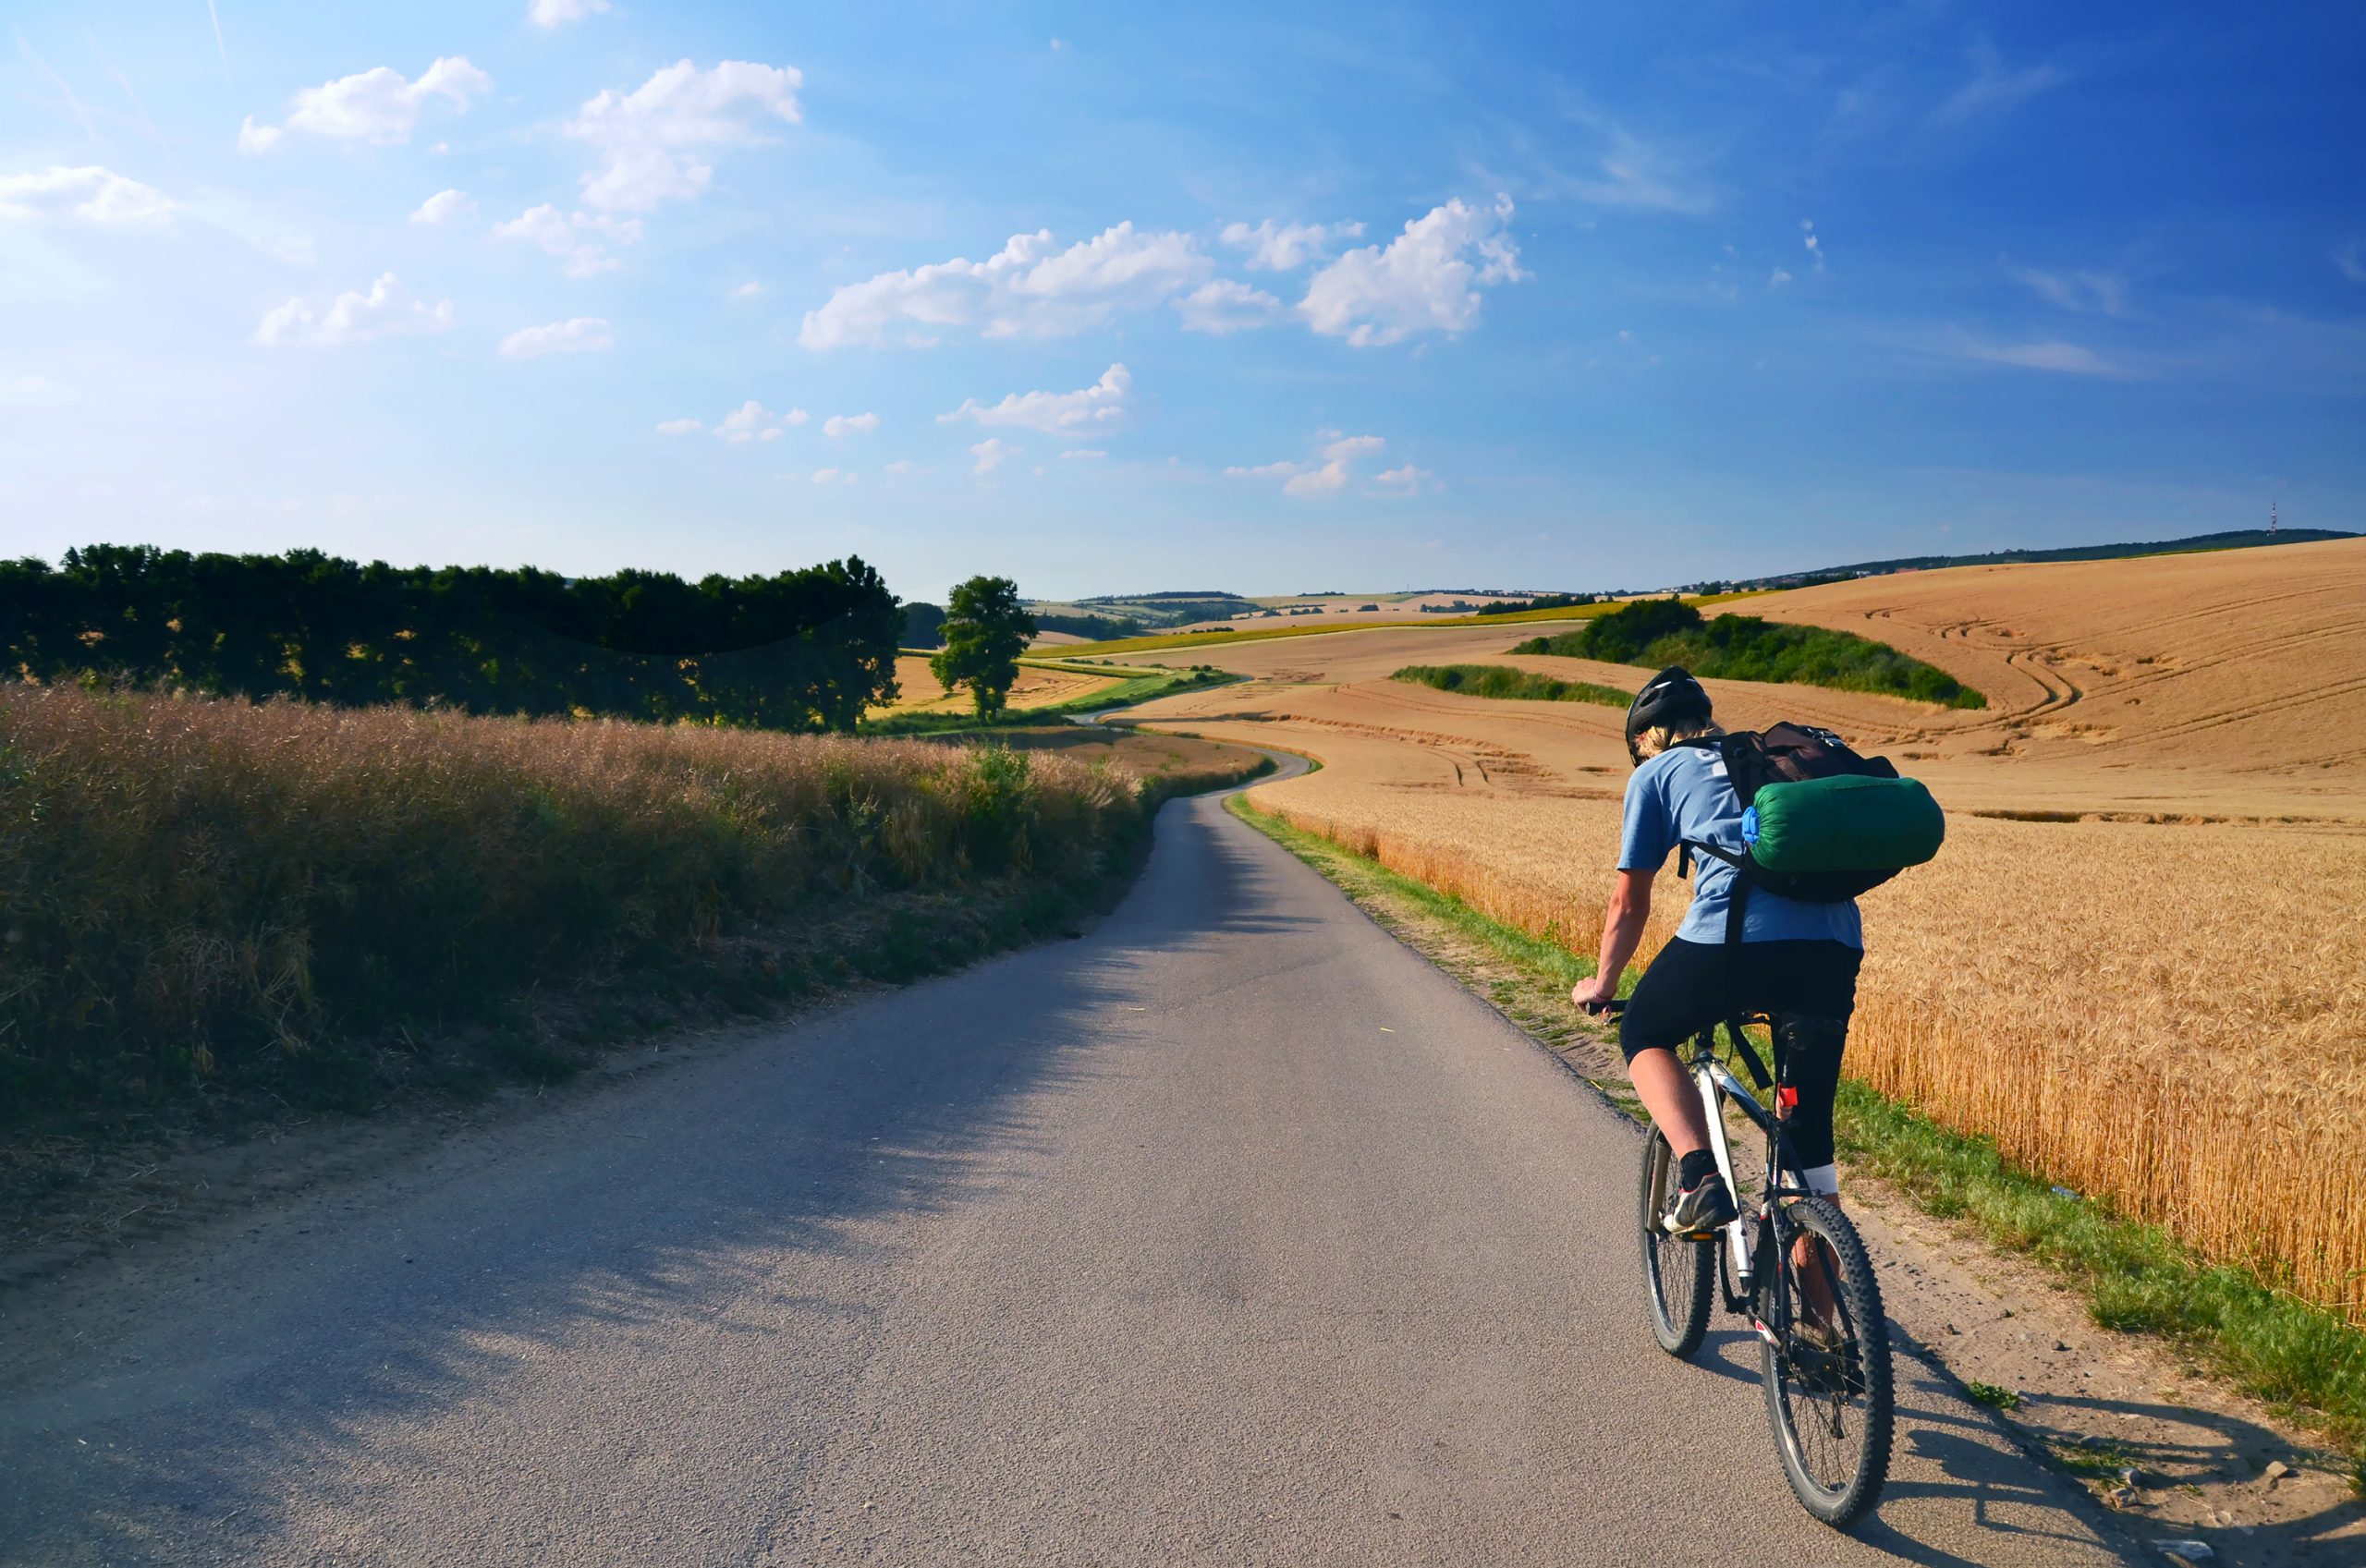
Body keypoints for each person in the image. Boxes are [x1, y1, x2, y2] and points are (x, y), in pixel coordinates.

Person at [1567, 666, 1861, 1241]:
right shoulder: (1764, 759)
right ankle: (1828, 1323)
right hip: (1835, 945)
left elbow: (1629, 902)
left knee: (1645, 1032)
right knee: (1808, 1149)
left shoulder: (1658, 772)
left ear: (1646, 740)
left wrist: (1602, 988)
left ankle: (1699, 1179)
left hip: (1736, 943)